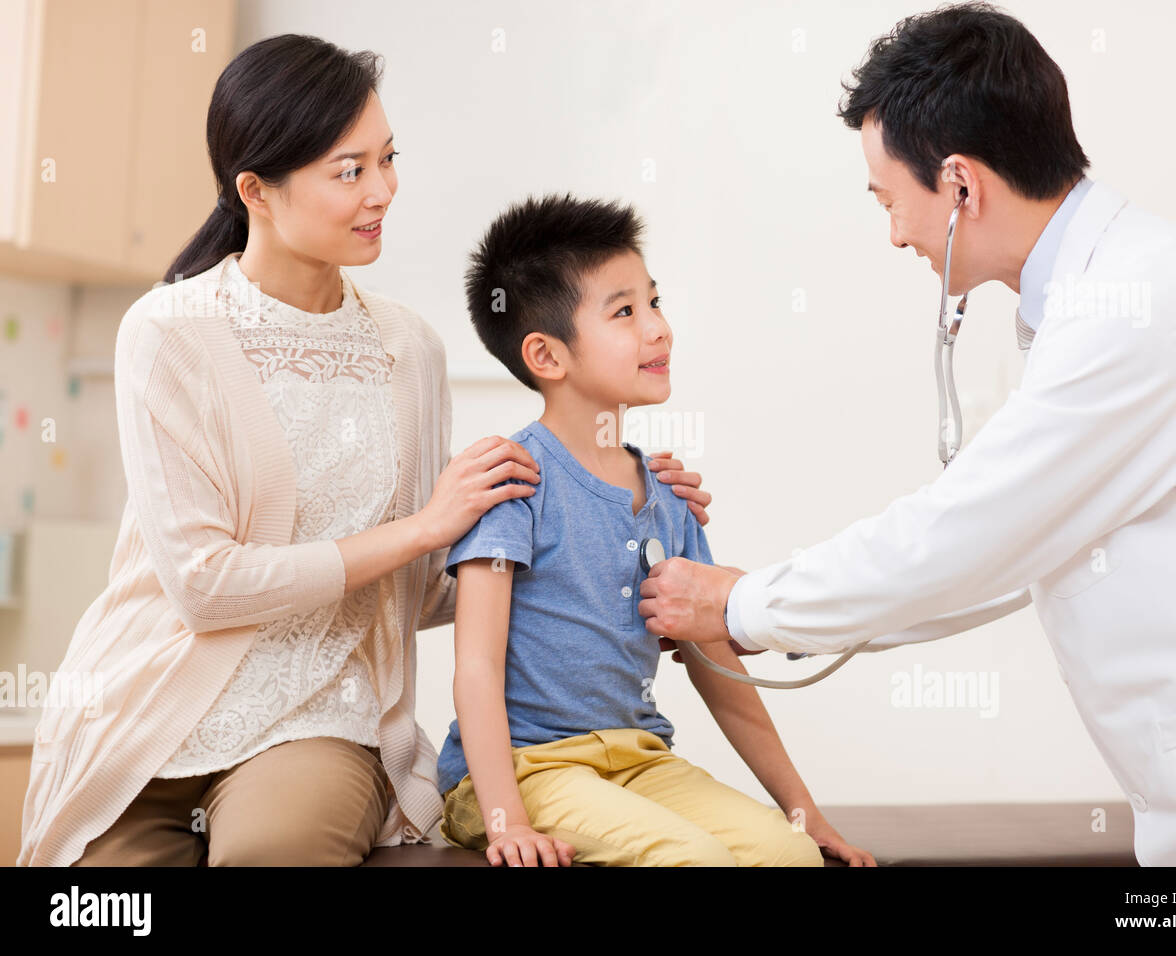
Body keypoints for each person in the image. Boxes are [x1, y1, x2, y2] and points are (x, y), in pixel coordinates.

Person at [19, 35, 708, 867]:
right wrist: (423, 528)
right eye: (350, 171)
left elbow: (418, 595)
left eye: (387, 159)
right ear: (257, 192)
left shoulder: (407, 349)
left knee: (273, 853)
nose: (382, 191)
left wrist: (609, 513)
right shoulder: (168, 333)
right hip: (149, 705)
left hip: (322, 713)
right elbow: (204, 588)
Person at [639, 3, 1176, 867]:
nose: (894, 234)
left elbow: (966, 536)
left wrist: (739, 604)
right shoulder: (1109, 291)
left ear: (959, 183)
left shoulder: (1129, 314)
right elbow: (1003, 550)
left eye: (890, 201)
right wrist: (768, 612)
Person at [435, 194, 874, 866]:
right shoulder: (513, 483)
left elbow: (718, 668)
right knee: (694, 860)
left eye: (655, 301)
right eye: (625, 312)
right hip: (530, 772)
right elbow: (475, 668)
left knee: (789, 859)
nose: (659, 328)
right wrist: (505, 822)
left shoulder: (669, 497)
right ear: (546, 356)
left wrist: (803, 815)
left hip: (639, 760)